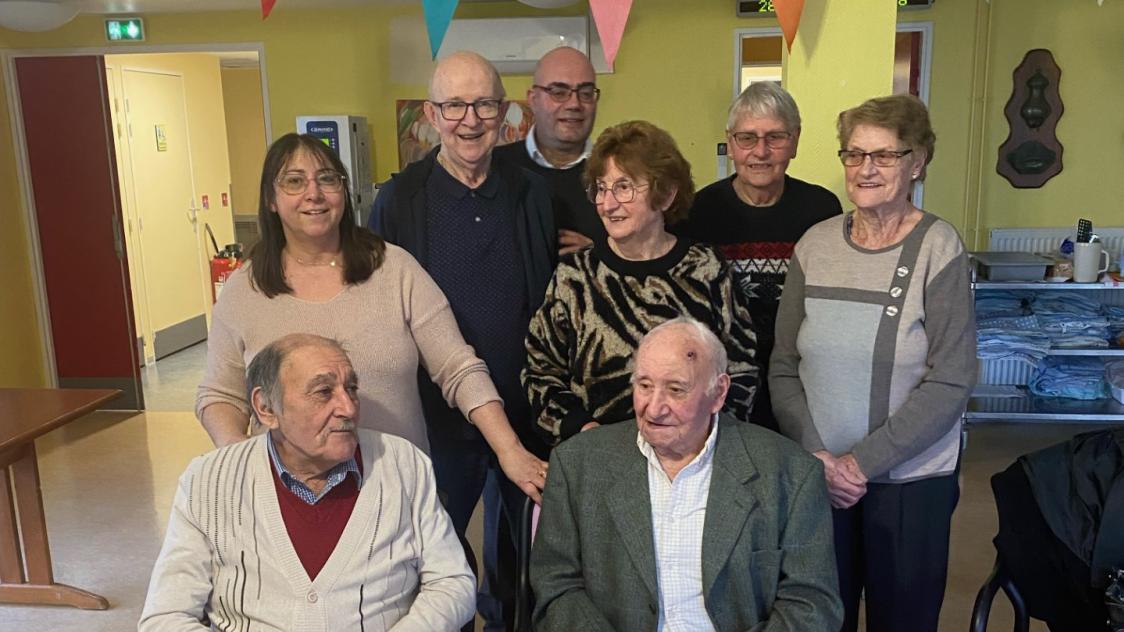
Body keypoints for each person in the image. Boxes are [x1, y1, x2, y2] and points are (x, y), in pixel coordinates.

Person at [195, 133, 545, 491]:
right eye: (294, 181)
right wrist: (236, 454)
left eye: (327, 179)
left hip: (396, 492)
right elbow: (220, 395)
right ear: (271, 197)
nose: (313, 193)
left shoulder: (393, 269)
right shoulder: (244, 290)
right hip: (287, 499)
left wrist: (510, 450)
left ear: (343, 191)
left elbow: (457, 366)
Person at [770, 94, 977, 632]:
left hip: (911, 483)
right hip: (817, 477)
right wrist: (817, 456)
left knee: (902, 619)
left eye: (884, 156)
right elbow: (784, 364)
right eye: (854, 154)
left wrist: (859, 465)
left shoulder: (940, 246)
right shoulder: (815, 245)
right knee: (820, 617)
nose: (866, 169)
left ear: (918, 161)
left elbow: (952, 378)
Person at [368, 51, 555, 631]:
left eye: (484, 104)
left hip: (522, 412)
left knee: (521, 560)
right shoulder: (398, 202)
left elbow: (547, 303)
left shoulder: (531, 197)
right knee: (435, 556)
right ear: (431, 113)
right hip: (436, 418)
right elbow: (379, 307)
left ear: (506, 113)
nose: (470, 119)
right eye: (454, 105)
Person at [141, 334, 475, 631]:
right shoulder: (209, 481)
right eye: (323, 392)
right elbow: (165, 616)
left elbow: (453, 582)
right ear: (266, 408)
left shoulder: (403, 464)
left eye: (351, 389)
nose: (348, 407)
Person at [531, 317, 843, 631]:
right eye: (644, 386)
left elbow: (811, 605)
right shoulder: (578, 465)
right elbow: (556, 586)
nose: (653, 409)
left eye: (676, 390)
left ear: (719, 393)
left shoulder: (790, 473)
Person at [523, 120, 758, 445]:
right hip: (601, 459)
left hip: (694, 458)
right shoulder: (575, 275)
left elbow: (741, 369)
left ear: (665, 195)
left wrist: (706, 440)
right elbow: (539, 373)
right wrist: (585, 432)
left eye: (624, 187)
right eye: (601, 188)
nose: (607, 204)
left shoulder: (706, 267)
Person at [680, 82, 842, 432]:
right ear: (731, 142)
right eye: (747, 138)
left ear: (795, 140)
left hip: (801, 377)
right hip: (723, 379)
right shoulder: (698, 211)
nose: (761, 151)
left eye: (776, 137)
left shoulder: (822, 209)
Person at [494, 45, 606, 254]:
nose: (574, 104)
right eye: (559, 92)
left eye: (586, 93)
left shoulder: (620, 173)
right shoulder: (493, 168)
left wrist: (600, 255)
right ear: (533, 99)